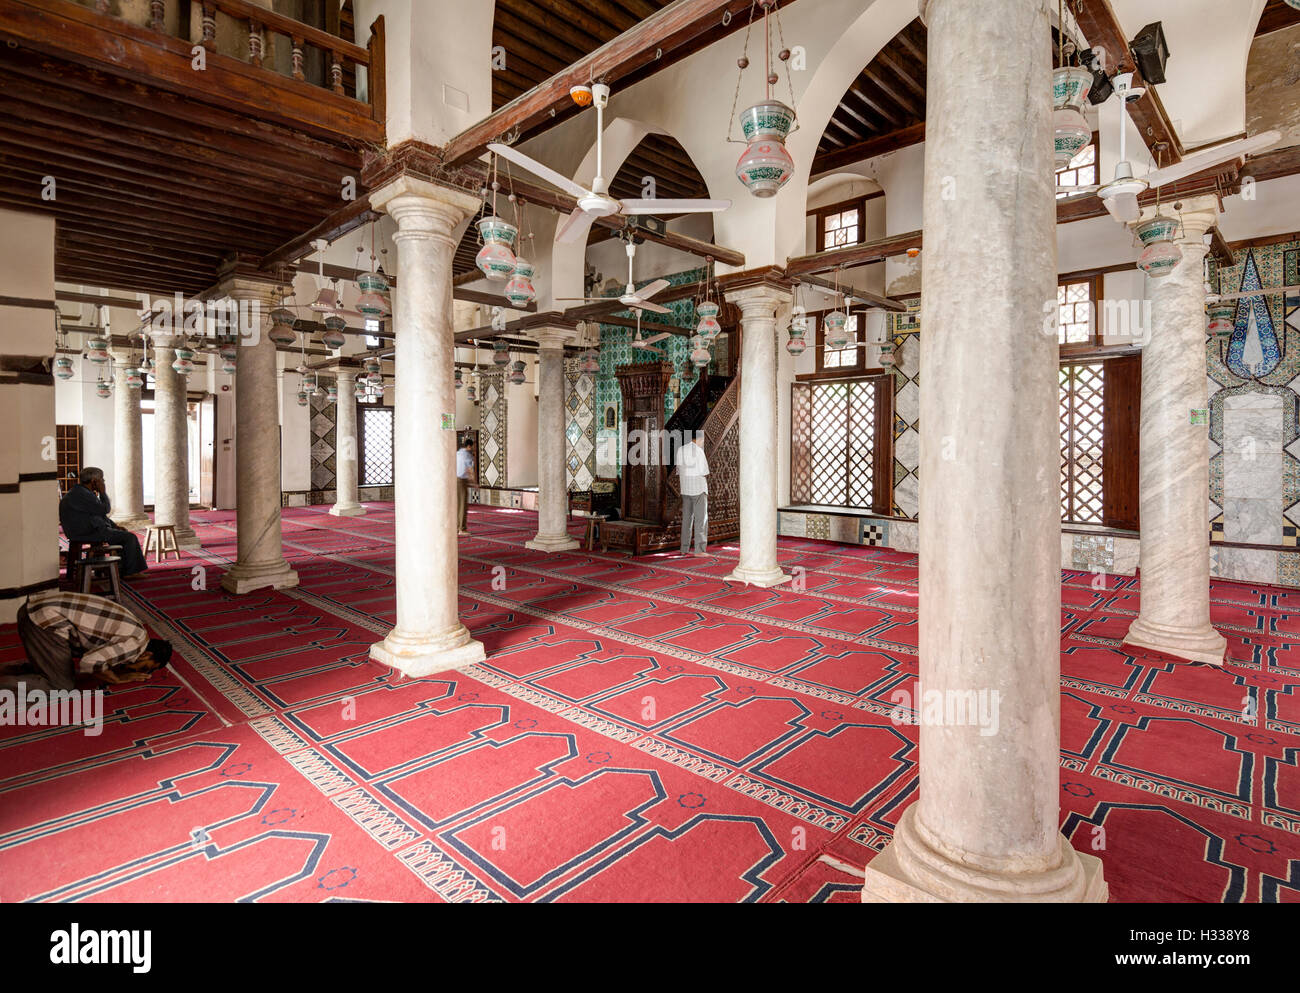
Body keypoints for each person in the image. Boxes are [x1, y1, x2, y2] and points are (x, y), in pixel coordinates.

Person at [0, 590, 172, 693]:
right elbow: (90, 662)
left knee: (60, 668)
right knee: (60, 686)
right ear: (147, 654)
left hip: (33, 608)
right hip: (43, 622)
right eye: (143, 667)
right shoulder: (135, 646)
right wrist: (116, 679)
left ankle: (6, 670)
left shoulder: (139, 630)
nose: (133, 667)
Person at [58, 467, 148, 578]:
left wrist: (115, 526)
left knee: (120, 535)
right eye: (102, 479)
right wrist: (103, 492)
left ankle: (120, 570)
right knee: (130, 537)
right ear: (94, 481)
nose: (103, 482)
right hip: (86, 532)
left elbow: (98, 514)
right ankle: (131, 572)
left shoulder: (79, 492)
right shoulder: (83, 494)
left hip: (83, 529)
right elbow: (105, 509)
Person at [676, 430, 710, 556]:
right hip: (698, 489)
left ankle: (684, 549)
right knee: (701, 520)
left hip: (685, 489)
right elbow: (704, 471)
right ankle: (699, 550)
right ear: (699, 439)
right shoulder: (699, 451)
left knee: (687, 519)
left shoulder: (681, 450)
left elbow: (678, 469)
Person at [456, 437, 477, 537]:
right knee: (463, 505)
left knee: (457, 505)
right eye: (473, 446)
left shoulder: (458, 453)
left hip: (454, 480)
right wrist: (474, 482)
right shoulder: (467, 455)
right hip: (462, 481)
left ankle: (456, 527)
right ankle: (462, 528)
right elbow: (470, 470)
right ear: (469, 446)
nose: (473, 448)